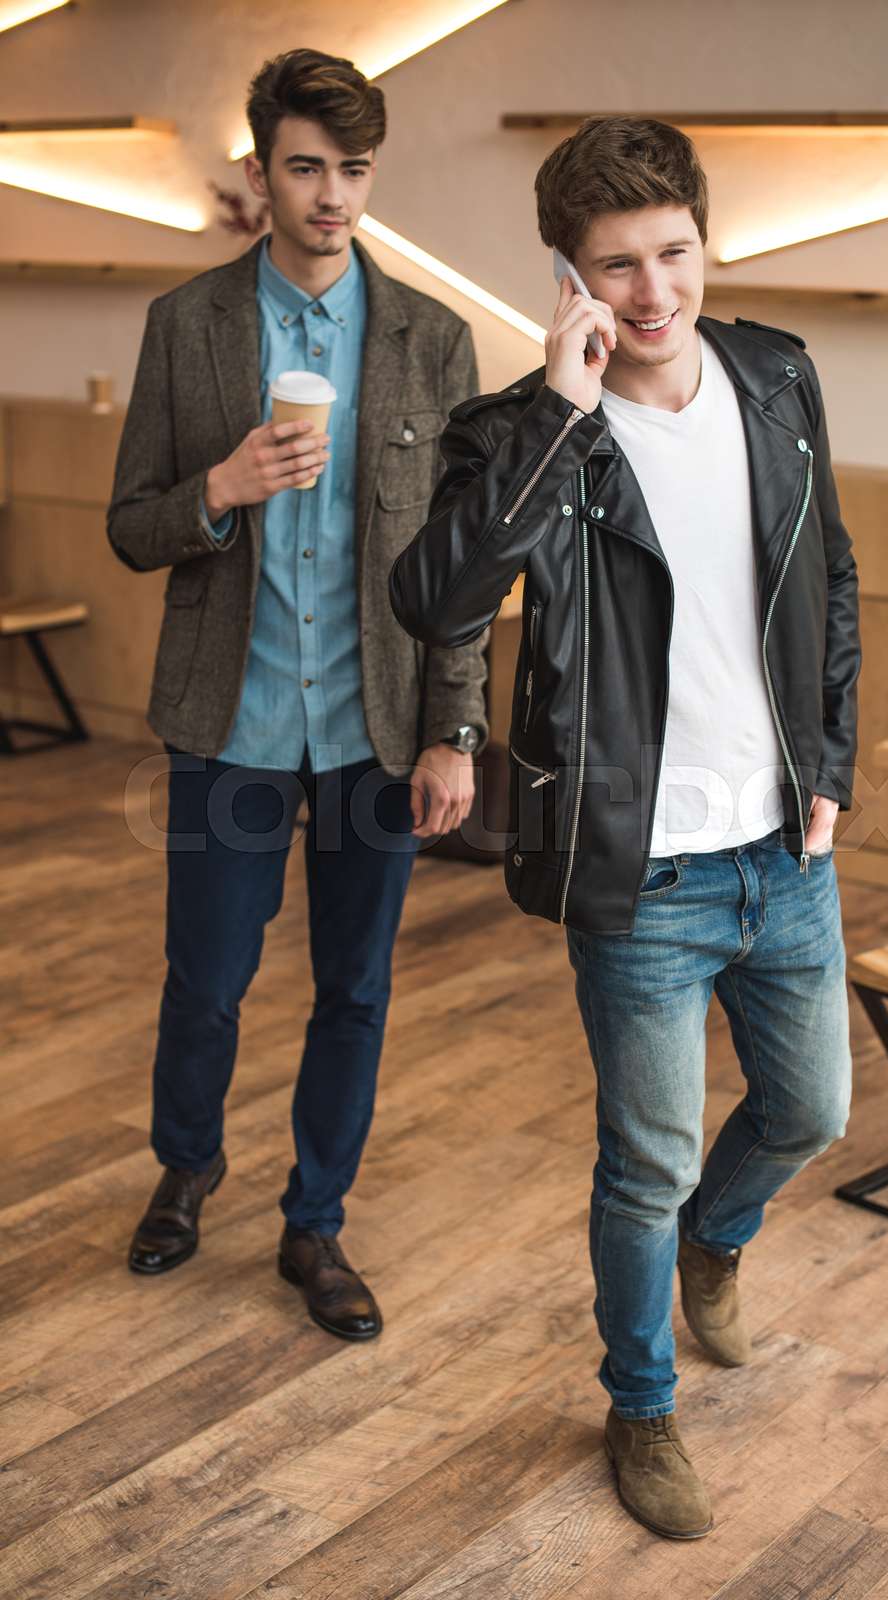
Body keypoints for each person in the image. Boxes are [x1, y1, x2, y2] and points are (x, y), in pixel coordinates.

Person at [390, 116, 859, 1538]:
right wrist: (558, 409)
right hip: (638, 865)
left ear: (705, 242)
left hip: (784, 849)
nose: (653, 292)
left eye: (673, 253)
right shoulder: (527, 430)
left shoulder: (777, 375)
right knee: (644, 1158)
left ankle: (718, 1247)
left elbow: (828, 575)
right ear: (568, 275)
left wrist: (827, 759)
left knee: (811, 1108)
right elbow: (439, 599)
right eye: (616, 265)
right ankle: (640, 1405)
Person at [107, 47, 487, 1341]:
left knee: (357, 988)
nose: (332, 196)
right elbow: (130, 526)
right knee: (206, 978)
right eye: (307, 167)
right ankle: (187, 1165)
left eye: (354, 170)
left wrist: (454, 732)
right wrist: (221, 489)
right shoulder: (188, 327)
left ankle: (315, 1222)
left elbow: (459, 571)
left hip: (380, 736)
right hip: (233, 724)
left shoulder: (436, 344)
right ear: (260, 171)